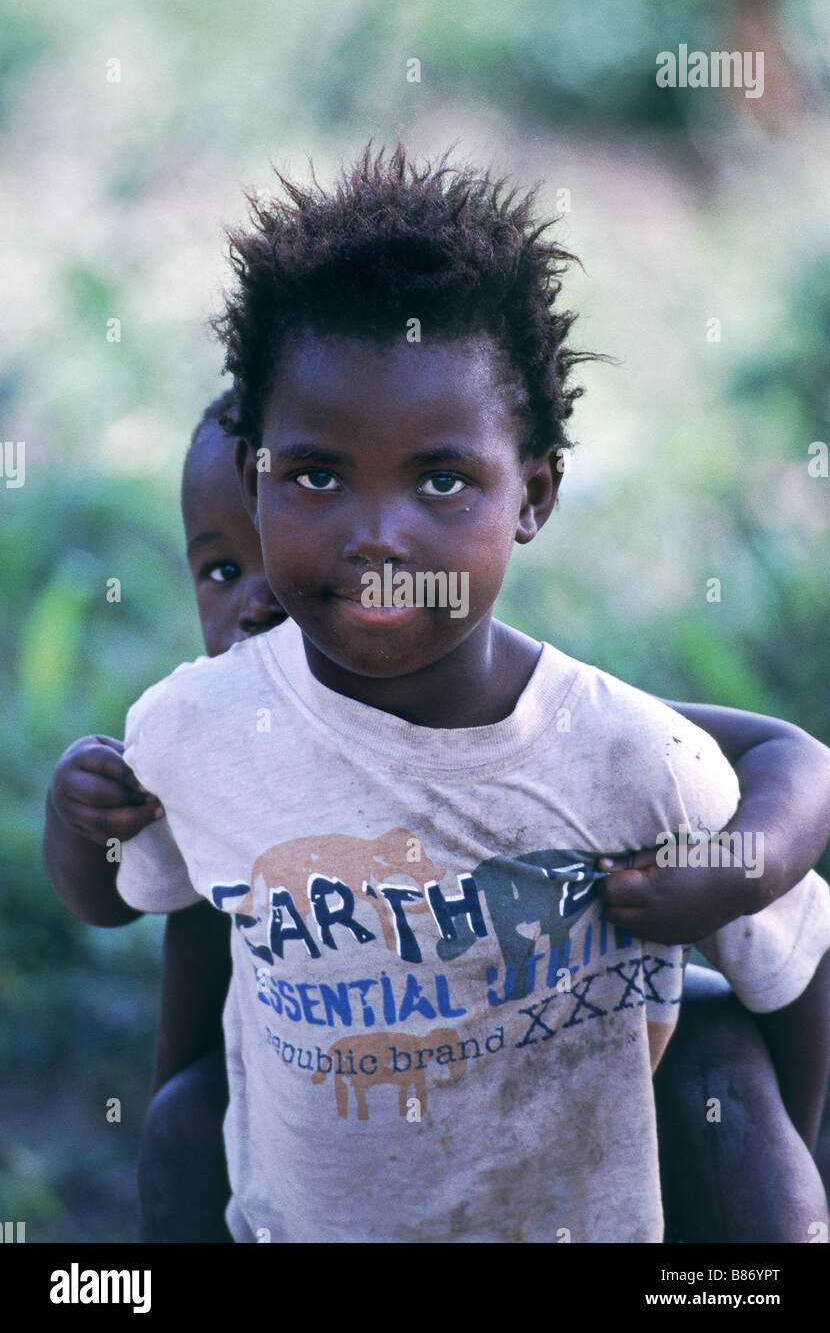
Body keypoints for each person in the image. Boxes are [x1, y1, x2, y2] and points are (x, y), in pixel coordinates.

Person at [51, 146, 830, 1242]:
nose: (378, 535)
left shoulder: (618, 757)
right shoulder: (199, 729)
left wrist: (770, 1184)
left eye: (441, 480)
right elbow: (124, 928)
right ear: (257, 476)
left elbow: (786, 970)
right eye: (319, 477)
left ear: (533, 495)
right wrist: (71, 817)